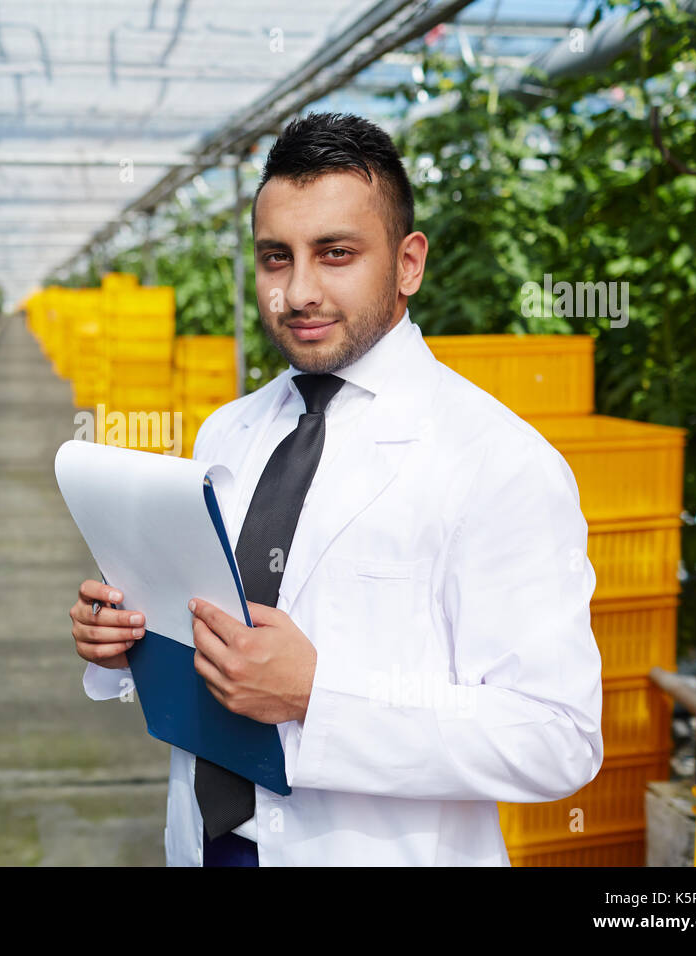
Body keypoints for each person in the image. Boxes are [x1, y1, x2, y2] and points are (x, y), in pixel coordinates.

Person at [69, 112, 603, 866]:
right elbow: (206, 632)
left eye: (337, 254)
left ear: (409, 263)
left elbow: (557, 738)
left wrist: (320, 696)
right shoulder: (229, 432)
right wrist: (122, 640)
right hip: (207, 842)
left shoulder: (497, 461)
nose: (299, 291)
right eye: (275, 259)